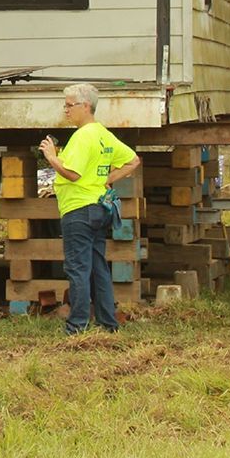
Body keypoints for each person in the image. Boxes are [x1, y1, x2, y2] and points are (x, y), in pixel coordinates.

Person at [39, 83, 140, 336]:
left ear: (86, 106)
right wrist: (107, 179)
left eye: (70, 105)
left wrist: (51, 157)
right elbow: (133, 160)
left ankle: (77, 326)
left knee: (78, 269)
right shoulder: (103, 134)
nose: (66, 111)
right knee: (98, 268)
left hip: (79, 210)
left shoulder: (83, 136)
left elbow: (72, 173)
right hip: (98, 207)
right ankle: (108, 323)